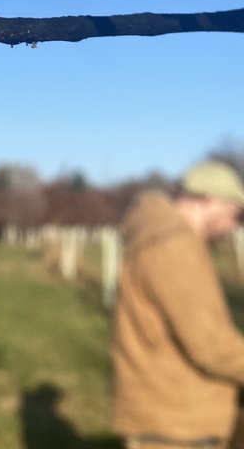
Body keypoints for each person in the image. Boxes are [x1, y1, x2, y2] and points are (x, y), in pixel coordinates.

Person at [112, 159, 244, 449]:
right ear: (208, 202)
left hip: (165, 414)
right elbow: (211, 344)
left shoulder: (157, 235)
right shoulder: (173, 245)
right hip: (179, 425)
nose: (233, 226)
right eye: (235, 214)